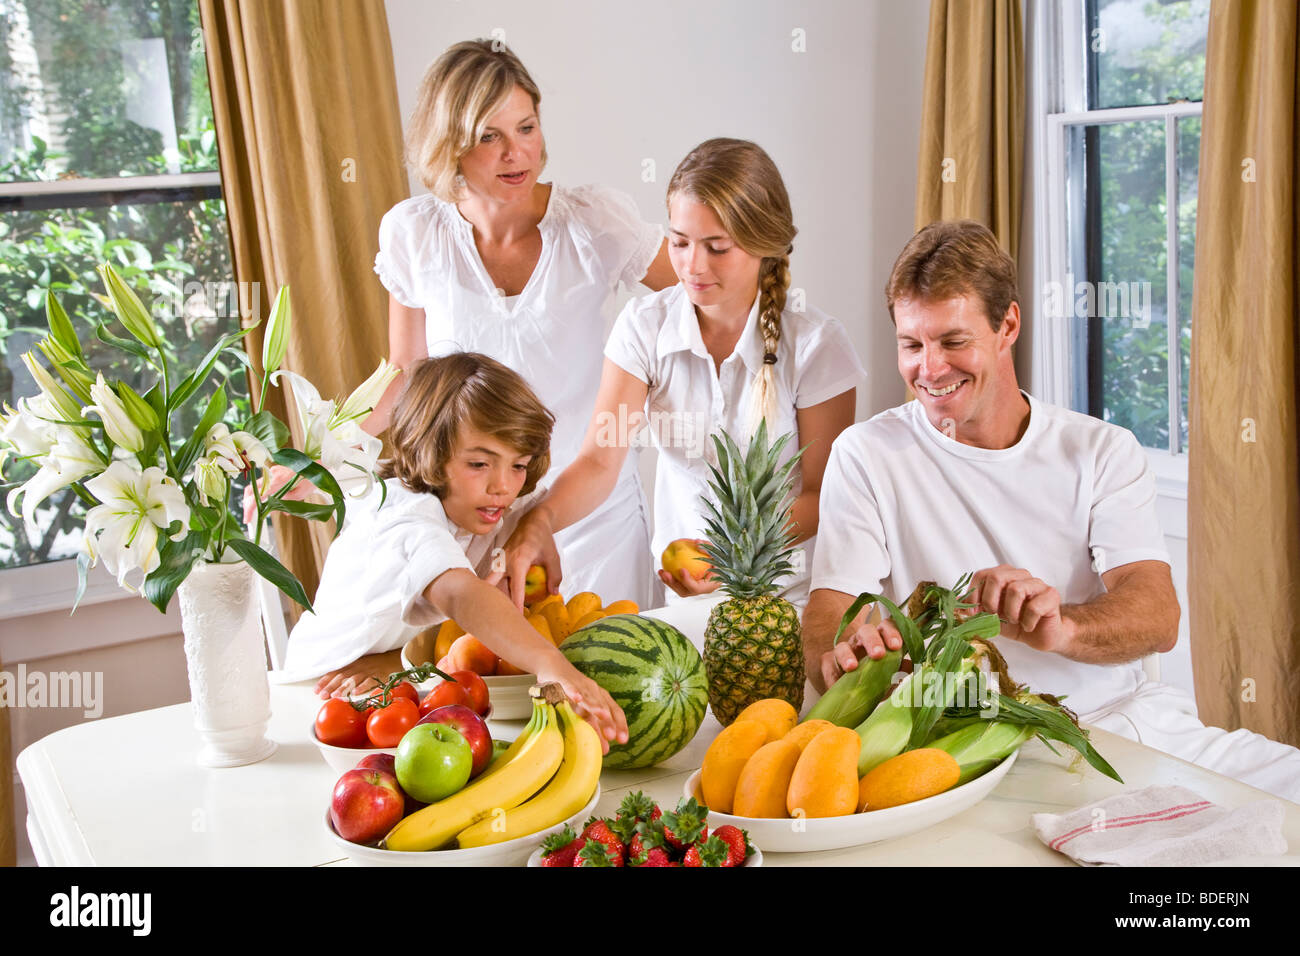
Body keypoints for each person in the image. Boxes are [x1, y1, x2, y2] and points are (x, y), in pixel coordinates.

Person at [803, 219, 1300, 801]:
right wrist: (842, 659)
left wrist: (1060, 627)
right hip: (962, 750)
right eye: (912, 345)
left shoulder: (1100, 451)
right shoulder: (866, 454)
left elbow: (1158, 617)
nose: (929, 370)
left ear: (1008, 324)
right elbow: (831, 611)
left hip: (1119, 722)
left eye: (954, 342)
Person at [366, 39, 678, 610]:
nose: (517, 153)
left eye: (527, 127)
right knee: (495, 692)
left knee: (618, 680)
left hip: (593, 513)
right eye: (490, 137)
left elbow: (704, 294)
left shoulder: (592, 223)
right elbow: (405, 374)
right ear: (450, 148)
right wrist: (317, 455)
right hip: (473, 522)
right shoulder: (415, 234)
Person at [504, 138, 864, 608]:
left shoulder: (817, 346)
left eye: (717, 248)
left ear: (764, 245)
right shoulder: (644, 326)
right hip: (687, 601)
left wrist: (736, 553)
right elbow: (599, 460)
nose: (692, 266)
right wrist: (540, 519)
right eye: (679, 242)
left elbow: (822, 494)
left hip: (790, 600)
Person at [275, 352, 628, 749]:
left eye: (519, 465)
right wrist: (551, 665)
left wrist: (539, 521)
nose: (503, 486)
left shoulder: (487, 504)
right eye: (479, 463)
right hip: (322, 686)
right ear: (432, 454)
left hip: (400, 670)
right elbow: (460, 594)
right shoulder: (405, 515)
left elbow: (581, 487)